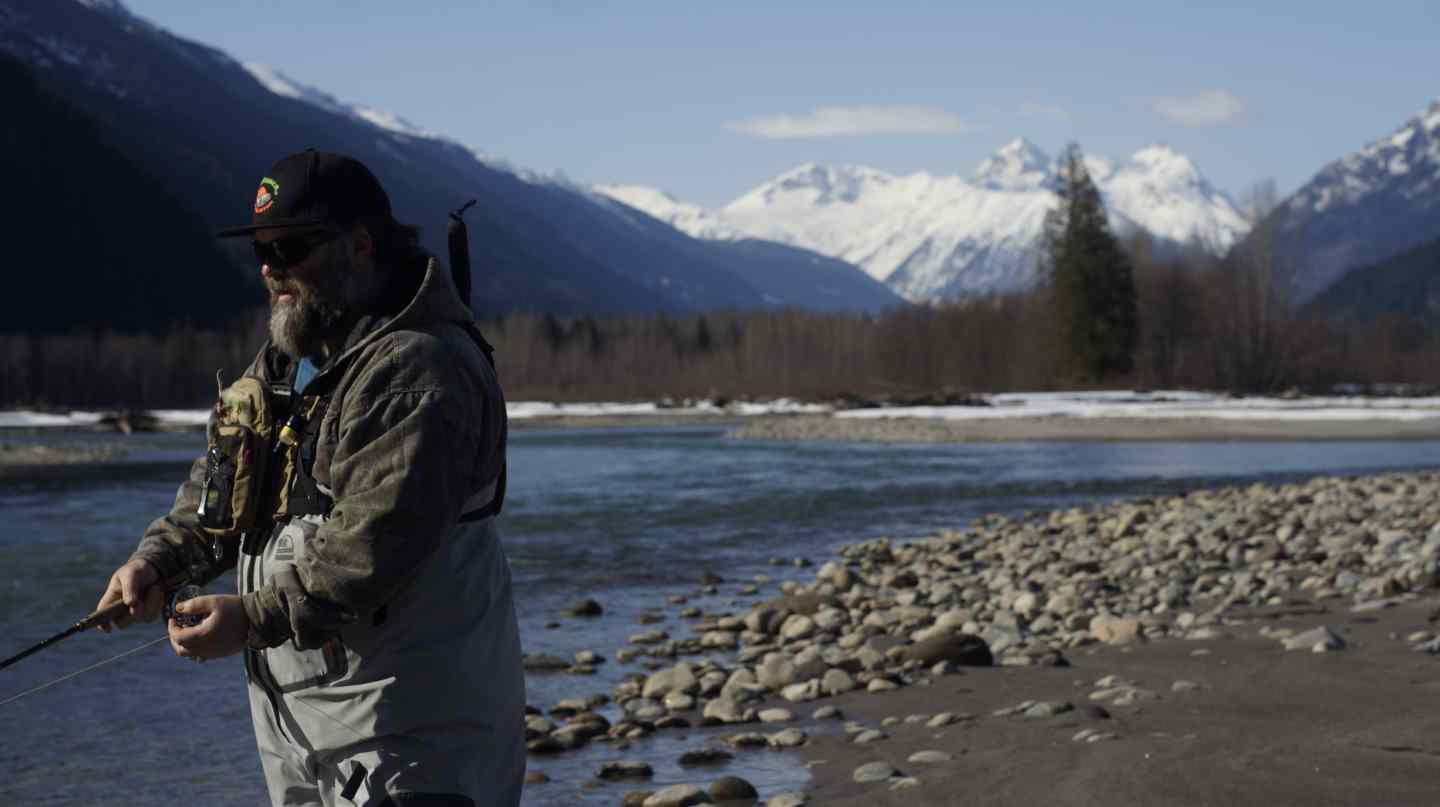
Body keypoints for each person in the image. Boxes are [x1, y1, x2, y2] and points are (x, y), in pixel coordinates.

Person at [94, 149, 525, 807]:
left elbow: (373, 548)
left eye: (290, 247)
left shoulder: (417, 371)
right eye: (260, 252)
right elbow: (220, 487)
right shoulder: (290, 354)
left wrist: (250, 617)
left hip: (410, 728)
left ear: (357, 246)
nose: (271, 270)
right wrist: (158, 562)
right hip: (304, 725)